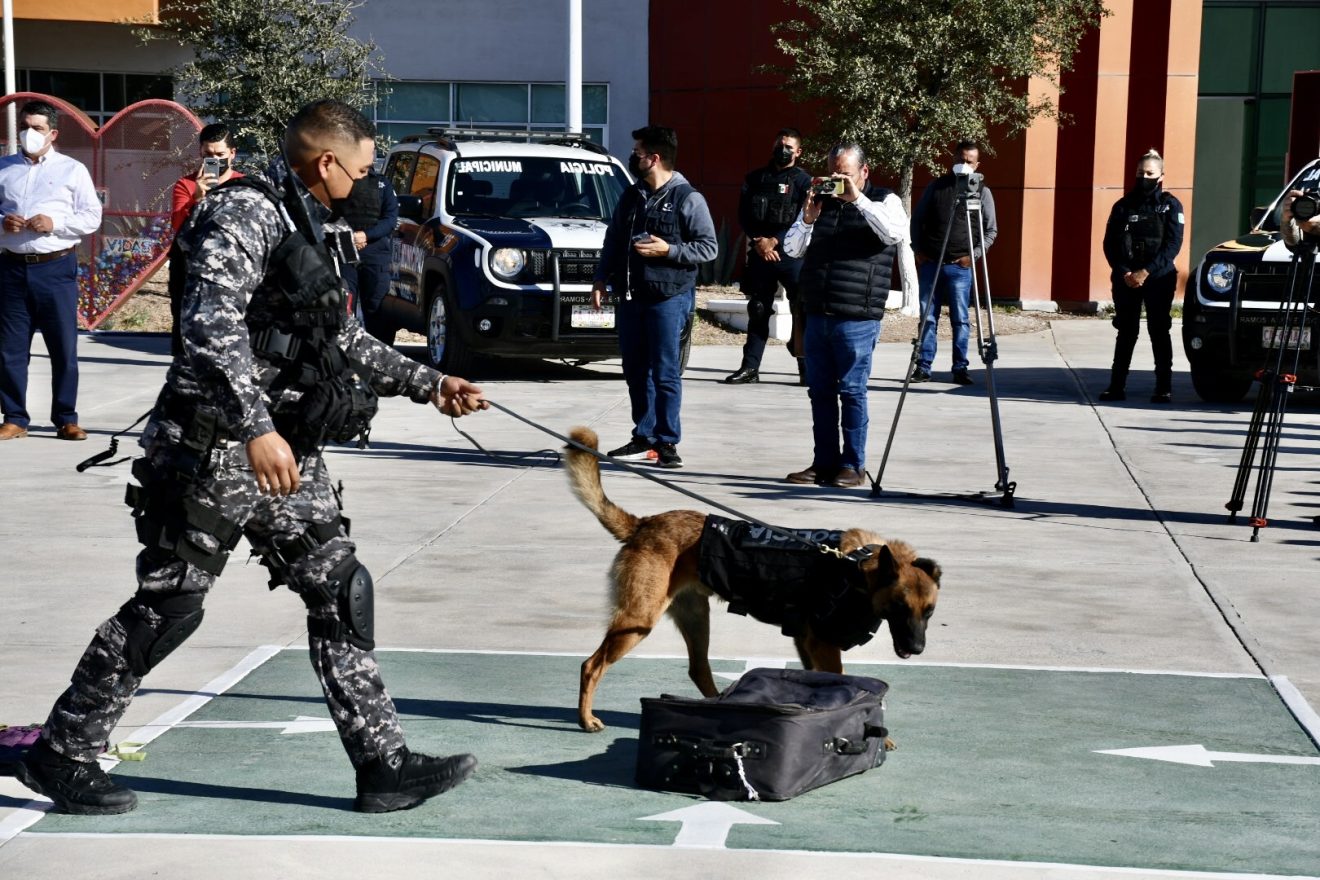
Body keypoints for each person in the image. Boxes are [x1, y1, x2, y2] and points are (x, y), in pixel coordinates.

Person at [15, 99, 488, 816]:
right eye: (363, 169)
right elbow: (209, 326)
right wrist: (255, 427)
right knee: (169, 605)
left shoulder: (314, 224)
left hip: (283, 452)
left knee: (340, 588)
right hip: (213, 447)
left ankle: (382, 765)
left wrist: (432, 383)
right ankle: (63, 751)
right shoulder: (244, 213)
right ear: (326, 162)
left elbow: (341, 338)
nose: (369, 183)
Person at [782, 143, 916, 489]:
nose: (838, 179)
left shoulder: (885, 200)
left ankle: (853, 465)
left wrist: (857, 199)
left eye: (845, 174)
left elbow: (893, 233)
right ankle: (823, 463)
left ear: (864, 172)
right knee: (820, 392)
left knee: (853, 391)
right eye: (833, 172)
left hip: (857, 316)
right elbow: (792, 249)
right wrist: (808, 218)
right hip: (818, 312)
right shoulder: (822, 202)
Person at [591, 125, 717, 470]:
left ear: (655, 158)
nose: (633, 157)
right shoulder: (631, 196)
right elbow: (614, 240)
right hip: (632, 296)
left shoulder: (688, 198)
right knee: (635, 370)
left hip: (669, 298)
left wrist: (669, 250)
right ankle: (643, 437)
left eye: (638, 152)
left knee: (665, 372)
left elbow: (709, 247)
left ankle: (667, 442)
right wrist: (600, 279)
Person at [0, 99, 102, 442]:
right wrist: (3, 223)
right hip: (12, 269)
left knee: (63, 347)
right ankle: (14, 418)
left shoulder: (72, 170)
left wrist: (54, 223)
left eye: (37, 128)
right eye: (25, 127)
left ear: (52, 133)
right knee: (10, 349)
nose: (29, 133)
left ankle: (66, 418)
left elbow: (92, 216)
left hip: (55, 267)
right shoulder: (4, 169)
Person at [724, 127, 812, 385]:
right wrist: (760, 242)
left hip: (792, 256)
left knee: (801, 311)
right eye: (779, 145)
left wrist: (776, 241)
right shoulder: (755, 179)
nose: (782, 150)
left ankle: (806, 368)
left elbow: (805, 217)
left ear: (798, 152)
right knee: (758, 310)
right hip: (761, 253)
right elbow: (744, 215)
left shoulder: (804, 182)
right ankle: (750, 368)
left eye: (788, 146)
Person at [910, 139, 998, 385]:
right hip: (931, 263)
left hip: (960, 266)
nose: (964, 164)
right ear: (953, 159)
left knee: (960, 319)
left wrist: (973, 256)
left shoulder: (982, 192)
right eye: (960, 159)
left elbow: (990, 231)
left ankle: (960, 367)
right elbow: (917, 219)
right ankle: (923, 366)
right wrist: (917, 250)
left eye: (969, 161)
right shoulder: (937, 187)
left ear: (977, 164)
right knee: (928, 318)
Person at [1099, 148, 1184, 403]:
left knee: (1159, 330)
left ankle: (1163, 387)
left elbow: (1172, 246)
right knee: (1126, 331)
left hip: (1158, 278)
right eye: (1140, 173)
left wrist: (1145, 272)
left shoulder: (1170, 205)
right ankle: (1116, 386)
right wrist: (1124, 271)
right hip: (1126, 278)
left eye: (1149, 173)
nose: (1144, 177)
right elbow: (1110, 244)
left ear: (1161, 176)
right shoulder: (1123, 206)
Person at [168, 123, 243, 357]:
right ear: (200, 152)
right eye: (208, 154)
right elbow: (178, 226)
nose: (215, 160)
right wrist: (198, 199)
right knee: (184, 328)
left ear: (232, 153)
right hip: (189, 267)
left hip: (230, 267)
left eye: (220, 154)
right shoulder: (186, 185)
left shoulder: (243, 185)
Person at [339, 168, 400, 344]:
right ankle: (343, 353)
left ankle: (379, 356)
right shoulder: (339, 181)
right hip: (345, 246)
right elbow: (329, 214)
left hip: (375, 252)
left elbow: (390, 219)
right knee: (343, 306)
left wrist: (365, 235)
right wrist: (351, 237)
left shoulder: (382, 184)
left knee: (377, 310)